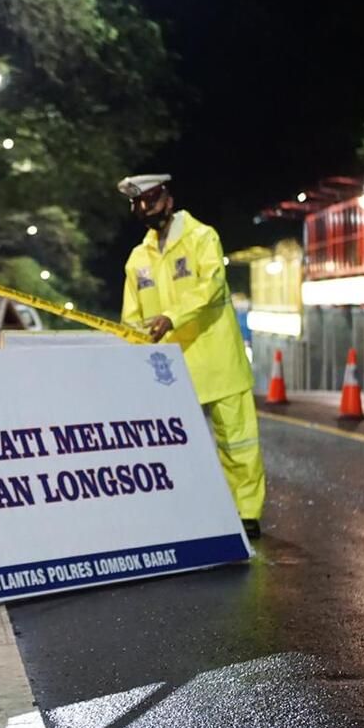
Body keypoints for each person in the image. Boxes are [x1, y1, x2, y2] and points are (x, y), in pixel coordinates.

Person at [118, 174, 266, 539]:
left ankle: (246, 513)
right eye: (137, 205)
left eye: (148, 202)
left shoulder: (203, 238)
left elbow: (211, 287)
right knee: (173, 448)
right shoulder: (138, 258)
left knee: (237, 442)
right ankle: (184, 513)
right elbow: (131, 319)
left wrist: (172, 316)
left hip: (218, 362)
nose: (143, 210)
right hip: (169, 370)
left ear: (167, 199)